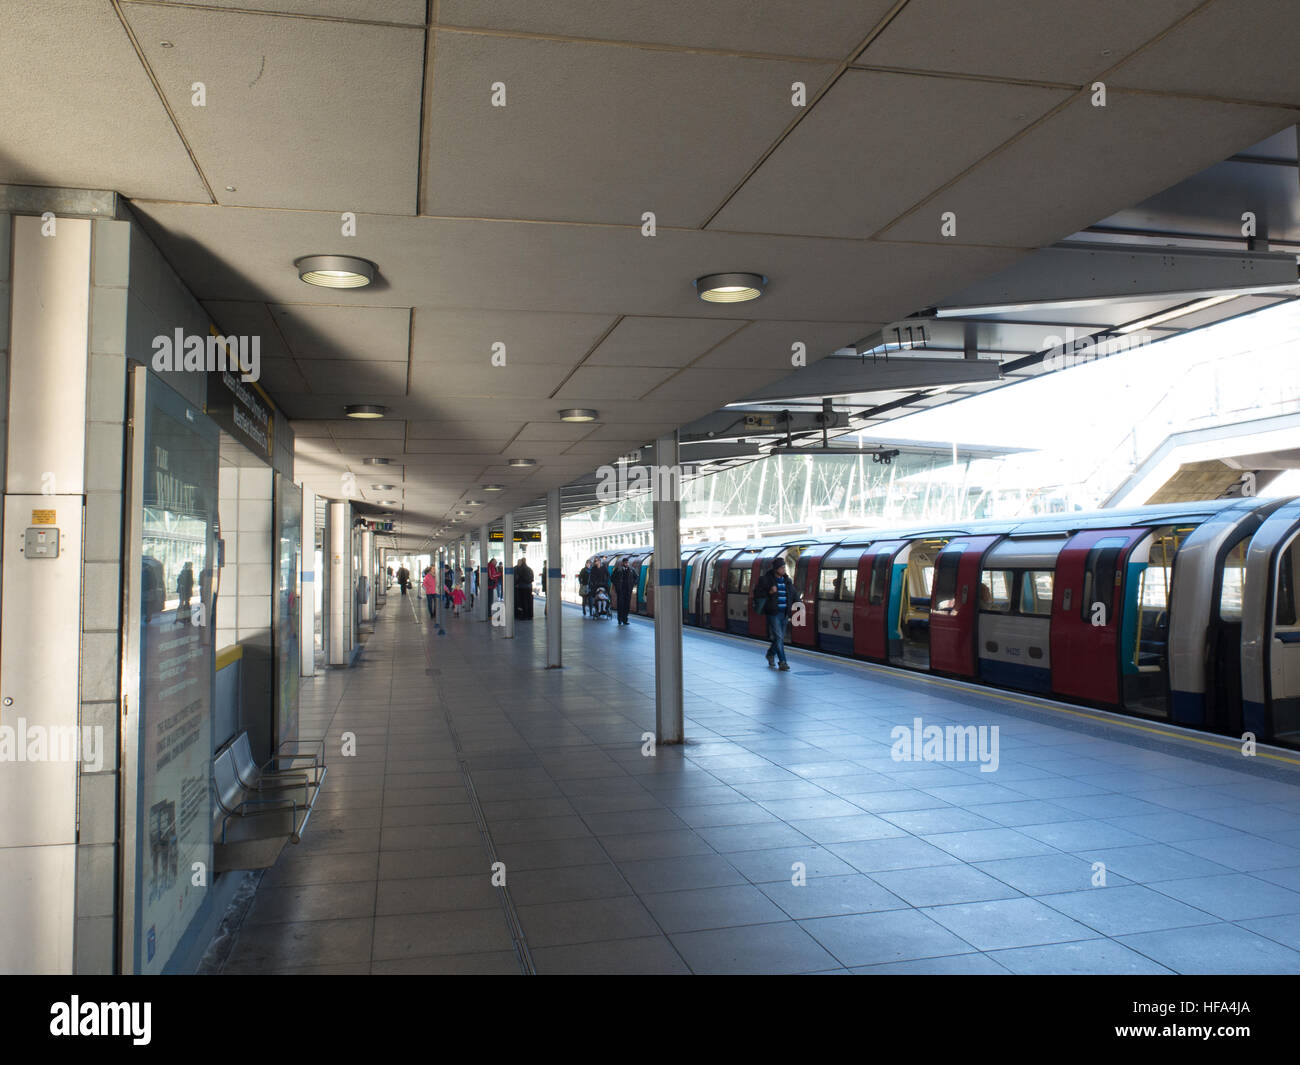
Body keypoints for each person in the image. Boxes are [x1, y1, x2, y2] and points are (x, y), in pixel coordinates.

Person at [753, 556, 799, 671]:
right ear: (776, 568)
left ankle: (770, 654)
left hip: (784, 613)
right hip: (773, 613)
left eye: (784, 567)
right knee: (779, 637)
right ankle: (782, 662)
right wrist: (770, 592)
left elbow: (794, 593)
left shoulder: (787, 581)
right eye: (782, 567)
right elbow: (757, 594)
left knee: (780, 638)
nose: (784, 569)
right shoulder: (766, 580)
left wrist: (799, 604)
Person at [611, 556, 636, 626]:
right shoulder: (618, 570)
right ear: (622, 563)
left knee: (627, 606)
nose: (626, 564)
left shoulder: (631, 570)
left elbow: (636, 577)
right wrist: (617, 585)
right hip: (620, 590)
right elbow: (612, 578)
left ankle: (625, 619)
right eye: (625, 563)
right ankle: (619, 619)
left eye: (627, 563)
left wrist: (632, 584)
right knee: (620, 605)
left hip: (628, 590)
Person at [515, 555, 534, 620]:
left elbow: (518, 578)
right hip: (529, 587)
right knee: (528, 601)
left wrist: (516, 584)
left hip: (522, 587)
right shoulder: (529, 569)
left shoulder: (520, 569)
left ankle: (523, 615)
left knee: (522, 602)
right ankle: (529, 615)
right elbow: (532, 578)